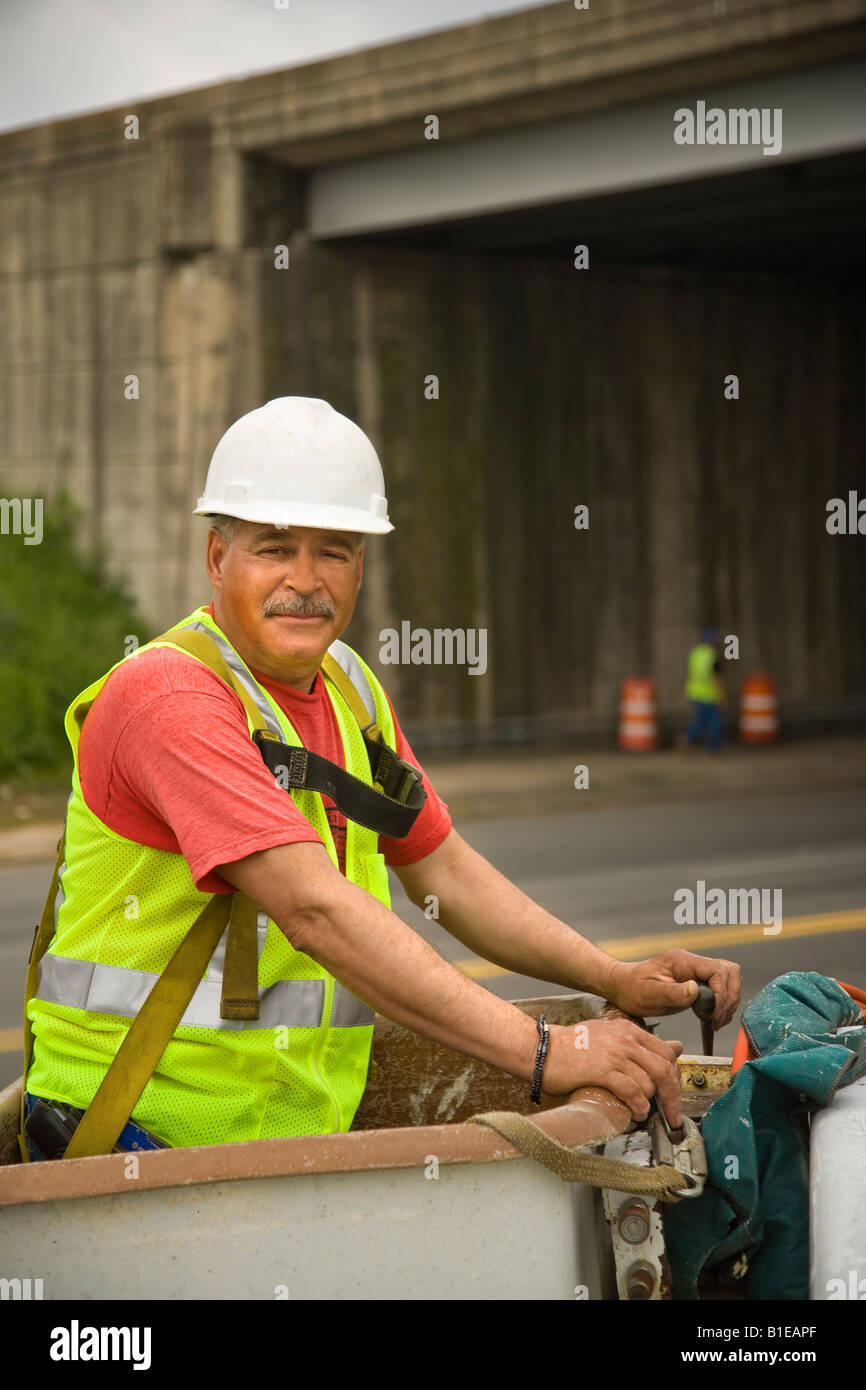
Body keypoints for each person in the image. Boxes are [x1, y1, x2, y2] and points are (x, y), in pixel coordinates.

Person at [23, 398, 741, 1157]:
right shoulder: (170, 698)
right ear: (217, 558)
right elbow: (314, 909)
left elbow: (447, 872)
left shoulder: (348, 690)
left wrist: (614, 977)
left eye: (334, 550)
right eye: (274, 547)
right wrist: (548, 1053)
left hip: (277, 1140)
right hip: (131, 1141)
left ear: (360, 566)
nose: (306, 580)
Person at [683, 627, 725, 753]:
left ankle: (686, 739)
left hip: (695, 692)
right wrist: (721, 695)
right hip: (709, 694)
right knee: (714, 721)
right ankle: (714, 748)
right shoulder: (713, 656)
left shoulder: (696, 653)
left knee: (701, 720)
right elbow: (716, 678)